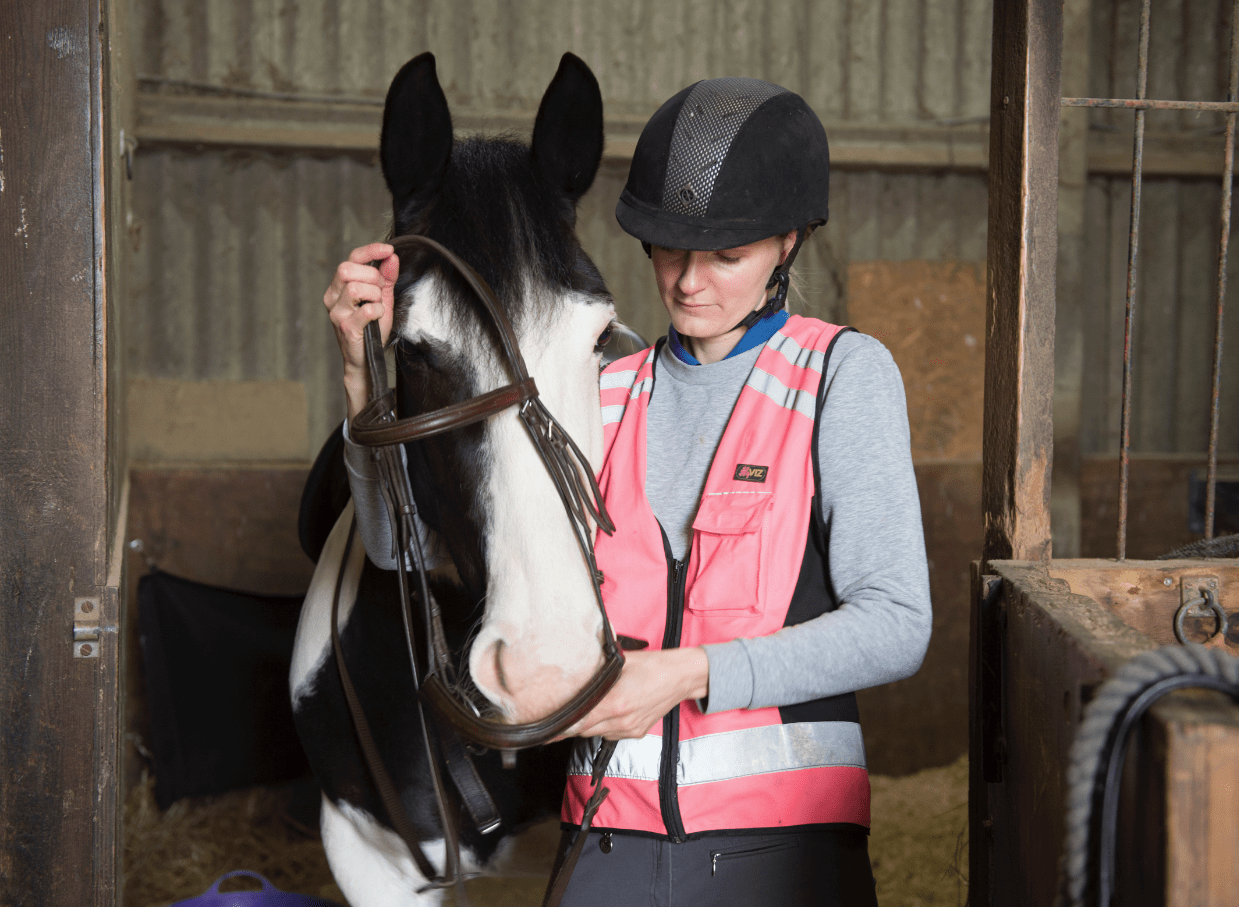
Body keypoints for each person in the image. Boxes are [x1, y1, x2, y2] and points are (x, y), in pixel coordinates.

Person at [323, 76, 931, 907]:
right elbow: (400, 549)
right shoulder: (600, 390)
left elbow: (898, 625)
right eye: (666, 248)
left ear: (787, 244)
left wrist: (685, 675)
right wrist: (362, 376)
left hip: (786, 850)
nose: (687, 282)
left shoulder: (840, 377)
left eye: (727, 255)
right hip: (606, 841)